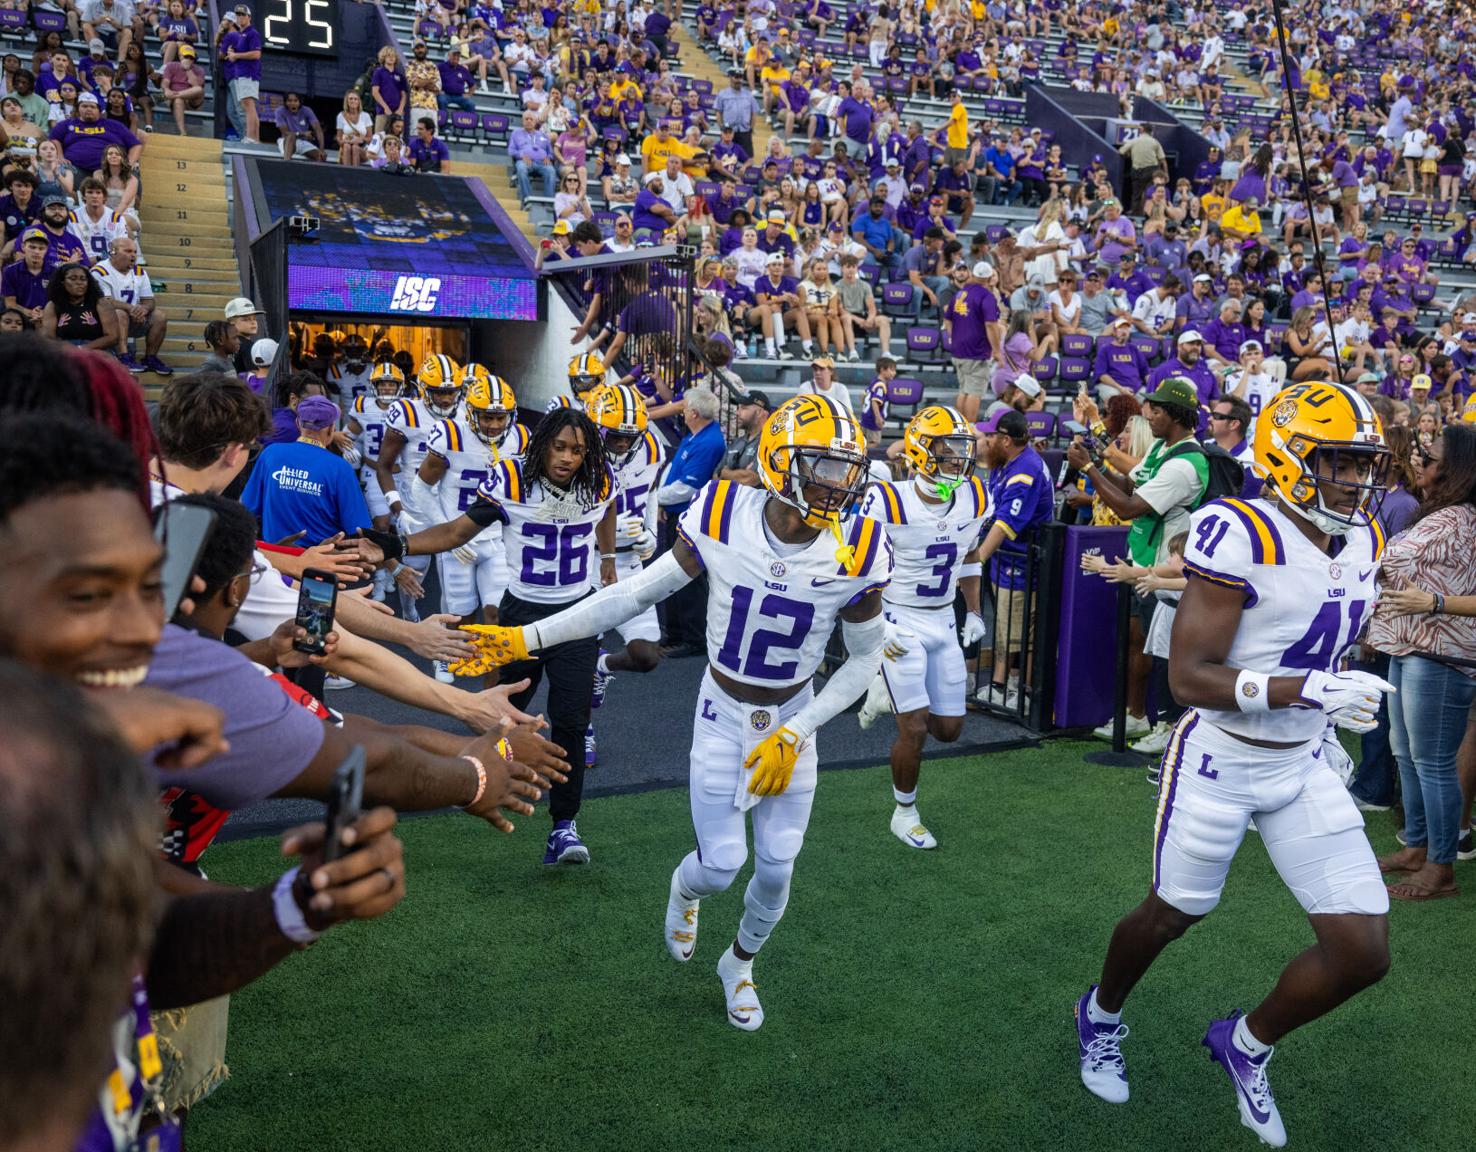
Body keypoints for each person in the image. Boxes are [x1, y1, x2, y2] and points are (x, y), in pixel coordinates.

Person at [440, 393, 889, 1030]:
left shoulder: (861, 546)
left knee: (778, 864)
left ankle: (739, 964)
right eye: (821, 465)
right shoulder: (723, 512)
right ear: (779, 460)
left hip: (794, 716)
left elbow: (865, 661)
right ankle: (684, 893)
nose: (836, 483)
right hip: (724, 709)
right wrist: (527, 639)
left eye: (845, 468)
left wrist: (799, 731)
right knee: (720, 865)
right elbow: (632, 593)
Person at [1074, 382, 1395, 1150]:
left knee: (1363, 952)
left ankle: (1244, 1044)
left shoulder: (1364, 538)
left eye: (1363, 465)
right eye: (1340, 463)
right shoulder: (1238, 527)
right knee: (1173, 914)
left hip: (1302, 758)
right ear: (1287, 457)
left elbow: (1319, 630)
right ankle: (1101, 1013)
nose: (1356, 481)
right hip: (1221, 754)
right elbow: (1191, 678)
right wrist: (1310, 686)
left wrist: (1327, 703)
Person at [388, 407, 618, 865]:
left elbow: (609, 508)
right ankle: (472, 778)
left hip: (578, 616)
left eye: (577, 449)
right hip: (523, 616)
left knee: (571, 723)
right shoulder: (512, 479)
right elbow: (455, 531)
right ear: (542, 445)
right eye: (560, 446)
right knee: (500, 712)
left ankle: (564, 826)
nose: (568, 457)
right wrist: (397, 546)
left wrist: (608, 554)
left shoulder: (600, 479)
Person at [856, 406, 988, 846]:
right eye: (947, 450)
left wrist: (973, 612)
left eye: (961, 450)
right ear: (919, 450)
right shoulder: (888, 499)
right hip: (898, 618)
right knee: (913, 727)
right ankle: (904, 812)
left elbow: (970, 556)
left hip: (943, 619)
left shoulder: (975, 496)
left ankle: (884, 692)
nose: (957, 460)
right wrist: (878, 626)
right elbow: (859, 570)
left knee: (948, 731)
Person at [1067, 377, 1207, 754]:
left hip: (1166, 566)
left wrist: (1090, 471)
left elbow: (1130, 508)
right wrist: (1095, 465)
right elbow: (1129, 486)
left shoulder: (1186, 464)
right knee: (1138, 641)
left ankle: (1168, 723)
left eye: (1157, 410)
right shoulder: (1162, 447)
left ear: (1176, 415)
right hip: (1143, 556)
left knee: (1162, 648)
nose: (1149, 415)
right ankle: (1140, 715)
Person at [1367, 424, 1476, 900]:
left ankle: (1441, 868)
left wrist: (1432, 603)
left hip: (1442, 652)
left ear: (1455, 469)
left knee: (1433, 763)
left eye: (1429, 458)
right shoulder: (1436, 513)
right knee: (1406, 754)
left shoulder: (1466, 519)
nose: (1420, 463)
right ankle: (1416, 846)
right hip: (1407, 646)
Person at [587, 383, 666, 701]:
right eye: (613, 434)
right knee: (580, 649)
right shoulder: (578, 452)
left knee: (646, 654)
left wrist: (651, 533)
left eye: (627, 436)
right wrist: (606, 529)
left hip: (630, 562)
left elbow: (651, 493)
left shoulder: (652, 448)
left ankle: (602, 667)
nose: (620, 443)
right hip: (588, 561)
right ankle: (583, 729)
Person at [975, 409, 1054, 707]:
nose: (985, 440)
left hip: (1022, 564)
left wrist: (978, 559)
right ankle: (1004, 686)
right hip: (1010, 562)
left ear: (1005, 439)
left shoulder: (1026, 470)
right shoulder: (1009, 461)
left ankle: (1018, 691)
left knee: (1018, 631)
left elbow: (1006, 524)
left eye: (990, 435)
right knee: (1008, 627)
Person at [241, 396, 372, 547]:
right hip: (322, 563)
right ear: (331, 428)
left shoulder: (271, 454)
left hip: (276, 561)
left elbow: (247, 506)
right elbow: (359, 529)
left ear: (298, 423)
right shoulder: (340, 468)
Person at [654, 386, 726, 656]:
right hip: (675, 510)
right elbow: (674, 472)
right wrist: (661, 501)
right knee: (670, 573)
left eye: (685, 407)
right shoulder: (695, 436)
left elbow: (688, 487)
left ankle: (693, 639)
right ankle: (673, 633)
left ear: (694, 413)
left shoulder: (709, 442)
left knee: (688, 578)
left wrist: (657, 499)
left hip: (688, 515)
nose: (682, 410)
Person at [92, 235, 170, 374]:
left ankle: (150, 357)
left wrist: (144, 309)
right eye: (127, 251)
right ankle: (124, 357)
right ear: (113, 252)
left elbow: (149, 300)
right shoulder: (100, 271)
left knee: (159, 316)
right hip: (104, 323)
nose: (133, 255)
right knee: (119, 312)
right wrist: (131, 308)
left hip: (132, 318)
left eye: (134, 251)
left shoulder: (139, 271)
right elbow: (105, 302)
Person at [948, 260, 1004, 423]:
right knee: (974, 392)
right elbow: (991, 325)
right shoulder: (987, 296)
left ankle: (958, 428)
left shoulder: (960, 293)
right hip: (976, 351)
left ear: (973, 274)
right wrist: (996, 350)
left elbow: (947, 319)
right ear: (989, 277)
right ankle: (969, 428)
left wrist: (955, 336)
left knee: (964, 390)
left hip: (958, 349)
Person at [41, 260, 116, 352]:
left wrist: (82, 349)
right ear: (62, 282)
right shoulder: (53, 305)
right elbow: (48, 337)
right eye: (73, 278)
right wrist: (67, 350)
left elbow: (112, 337)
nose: (79, 282)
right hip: (64, 352)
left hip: (96, 350)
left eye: (83, 279)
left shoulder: (101, 303)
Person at [223, 3, 262, 143]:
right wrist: (232, 54)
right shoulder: (241, 34)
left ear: (249, 17)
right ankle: (254, 138)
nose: (239, 18)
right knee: (247, 105)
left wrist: (237, 56)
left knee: (248, 104)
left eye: (242, 15)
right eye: (237, 15)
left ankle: (251, 137)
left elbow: (257, 54)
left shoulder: (252, 33)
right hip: (241, 74)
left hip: (249, 74)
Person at [719, 388, 770, 486]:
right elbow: (717, 475)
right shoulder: (736, 442)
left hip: (756, 500)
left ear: (759, 412)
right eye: (738, 408)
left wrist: (726, 473)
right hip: (731, 499)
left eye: (743, 408)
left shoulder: (769, 442)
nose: (737, 413)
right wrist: (741, 474)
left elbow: (752, 480)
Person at [509, 110, 557, 202]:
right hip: (524, 161)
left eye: (531, 119)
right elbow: (511, 150)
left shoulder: (543, 135)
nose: (529, 121)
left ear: (535, 122)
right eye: (526, 119)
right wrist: (521, 155)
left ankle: (548, 201)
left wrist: (549, 157)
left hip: (542, 162)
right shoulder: (516, 133)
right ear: (522, 121)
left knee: (551, 171)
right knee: (521, 169)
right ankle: (528, 199)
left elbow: (550, 153)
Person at [160, 42, 205, 135]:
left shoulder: (199, 70)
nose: (188, 59)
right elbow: (165, 82)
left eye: (191, 58)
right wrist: (167, 90)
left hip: (191, 99)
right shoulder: (171, 66)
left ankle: (172, 96)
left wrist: (188, 69)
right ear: (180, 56)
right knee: (178, 100)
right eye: (186, 57)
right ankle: (183, 132)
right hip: (176, 98)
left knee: (199, 90)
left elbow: (196, 85)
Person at [274, 91, 325, 161]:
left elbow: (318, 129)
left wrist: (322, 149)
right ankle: (286, 165)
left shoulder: (307, 110)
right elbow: (285, 132)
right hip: (286, 141)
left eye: (295, 101)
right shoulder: (279, 111)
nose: (293, 103)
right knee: (291, 136)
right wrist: (302, 133)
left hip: (302, 142)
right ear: (285, 102)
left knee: (321, 157)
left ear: (300, 102)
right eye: (289, 101)